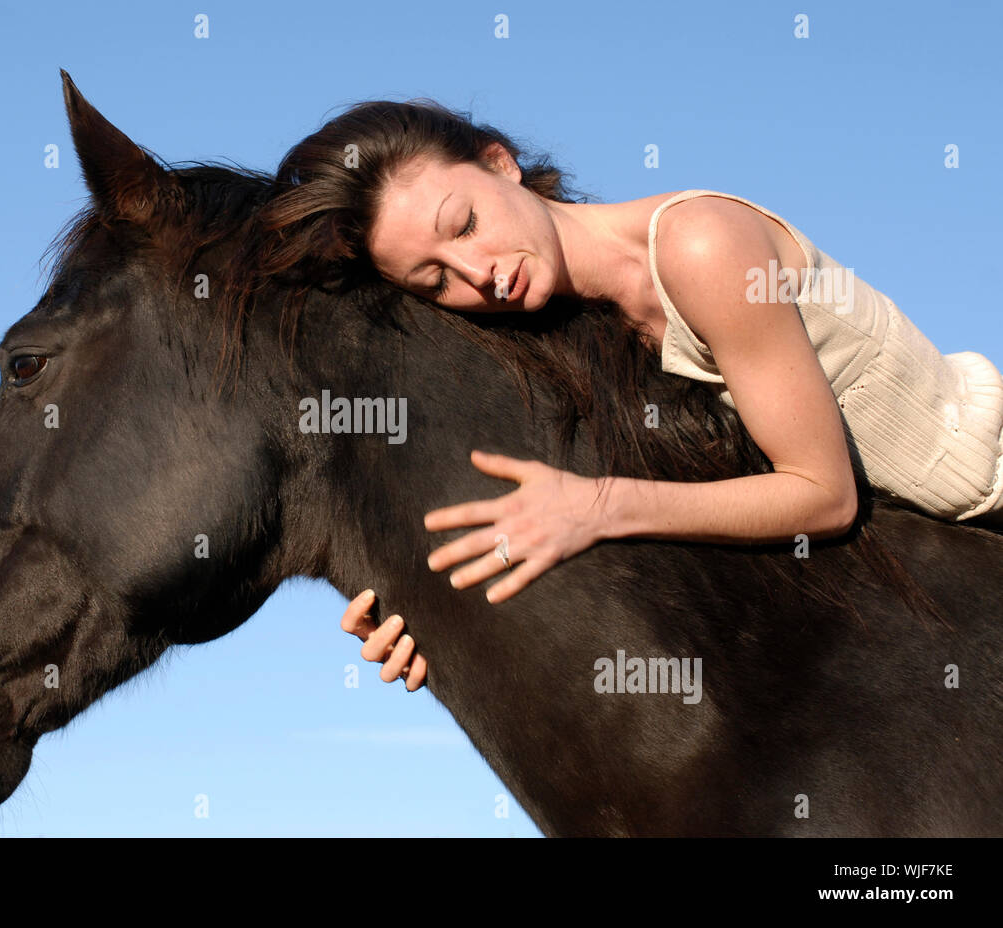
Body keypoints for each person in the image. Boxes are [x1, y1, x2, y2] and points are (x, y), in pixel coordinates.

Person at [240, 98, 1003, 691]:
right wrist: (425, 606)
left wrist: (598, 504)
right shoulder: (564, 337)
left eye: (465, 224)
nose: (477, 274)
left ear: (500, 163)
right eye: (434, 278)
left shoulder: (701, 246)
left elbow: (823, 495)